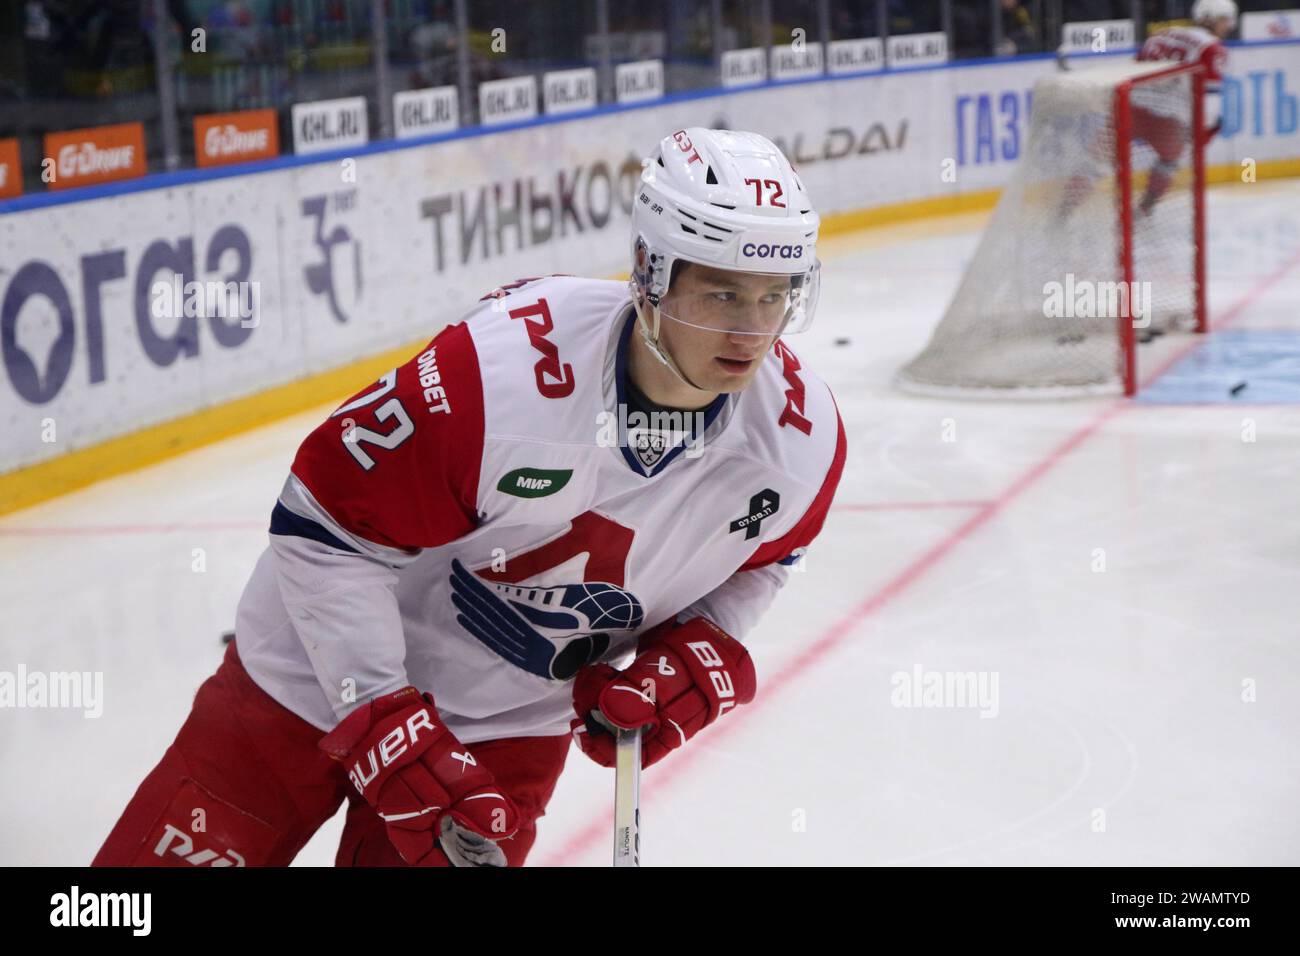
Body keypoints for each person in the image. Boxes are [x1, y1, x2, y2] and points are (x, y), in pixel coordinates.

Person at [93, 127, 847, 867]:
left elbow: (775, 552)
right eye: (721, 293)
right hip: (301, 683)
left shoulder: (798, 443)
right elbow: (321, 522)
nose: (753, 332)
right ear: (650, 270)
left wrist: (707, 638)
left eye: (774, 296)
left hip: (504, 727)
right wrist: (378, 711)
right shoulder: (496, 378)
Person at [1132, 0, 1235, 214]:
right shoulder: (1212, 49)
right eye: (1224, 20)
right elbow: (1209, 110)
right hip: (1166, 116)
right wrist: (1205, 130)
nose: (1229, 26)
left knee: (1095, 160)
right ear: (1209, 19)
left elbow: (1134, 67)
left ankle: (1062, 212)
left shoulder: (1165, 32)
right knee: (1169, 159)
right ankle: (1144, 211)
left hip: (1131, 106)